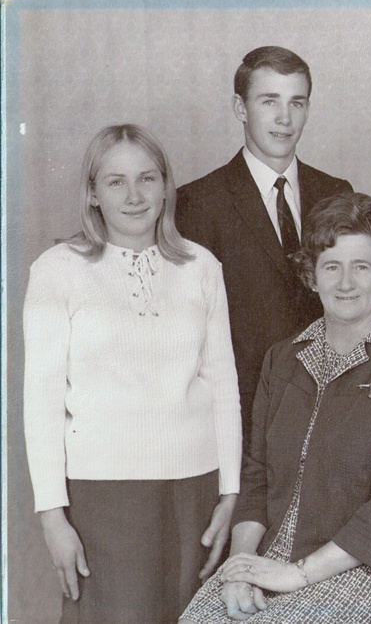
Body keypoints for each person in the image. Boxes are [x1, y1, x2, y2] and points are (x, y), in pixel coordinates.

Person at [179, 192, 371, 624]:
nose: (345, 283)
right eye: (331, 267)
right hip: (275, 556)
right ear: (311, 276)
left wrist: (298, 575)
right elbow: (257, 476)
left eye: (361, 266)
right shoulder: (282, 358)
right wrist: (241, 567)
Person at [23, 124, 242, 623]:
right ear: (93, 193)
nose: (135, 195)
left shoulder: (202, 267)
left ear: (167, 185)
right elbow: (40, 402)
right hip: (103, 495)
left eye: (147, 178)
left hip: (194, 490)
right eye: (116, 181)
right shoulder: (57, 269)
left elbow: (224, 386)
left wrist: (229, 493)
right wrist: (53, 517)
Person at [176, 45, 353, 448]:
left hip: (331, 409)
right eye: (269, 101)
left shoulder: (336, 193)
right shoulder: (197, 203)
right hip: (242, 413)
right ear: (240, 107)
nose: (284, 118)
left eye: (297, 102)